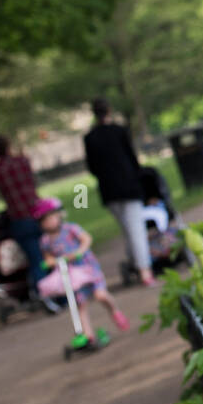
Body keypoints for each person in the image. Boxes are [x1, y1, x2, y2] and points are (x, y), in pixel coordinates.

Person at [33, 197, 129, 344]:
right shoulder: (45, 240)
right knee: (80, 304)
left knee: (100, 295)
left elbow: (86, 239)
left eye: (52, 217)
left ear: (59, 215)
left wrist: (80, 251)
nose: (50, 222)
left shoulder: (70, 229)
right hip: (71, 275)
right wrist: (50, 261)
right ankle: (87, 334)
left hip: (88, 269)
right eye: (46, 220)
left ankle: (114, 311)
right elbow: (48, 257)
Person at [83, 98, 155, 286]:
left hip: (109, 191)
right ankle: (145, 271)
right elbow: (132, 159)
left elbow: (92, 167)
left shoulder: (90, 138)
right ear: (109, 111)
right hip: (129, 187)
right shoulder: (120, 131)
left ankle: (135, 264)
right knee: (136, 230)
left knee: (128, 229)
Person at [0, 136, 48, 293]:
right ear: (9, 146)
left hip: (20, 219)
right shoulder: (23, 161)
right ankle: (53, 291)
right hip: (40, 214)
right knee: (47, 253)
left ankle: (44, 292)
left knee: (35, 258)